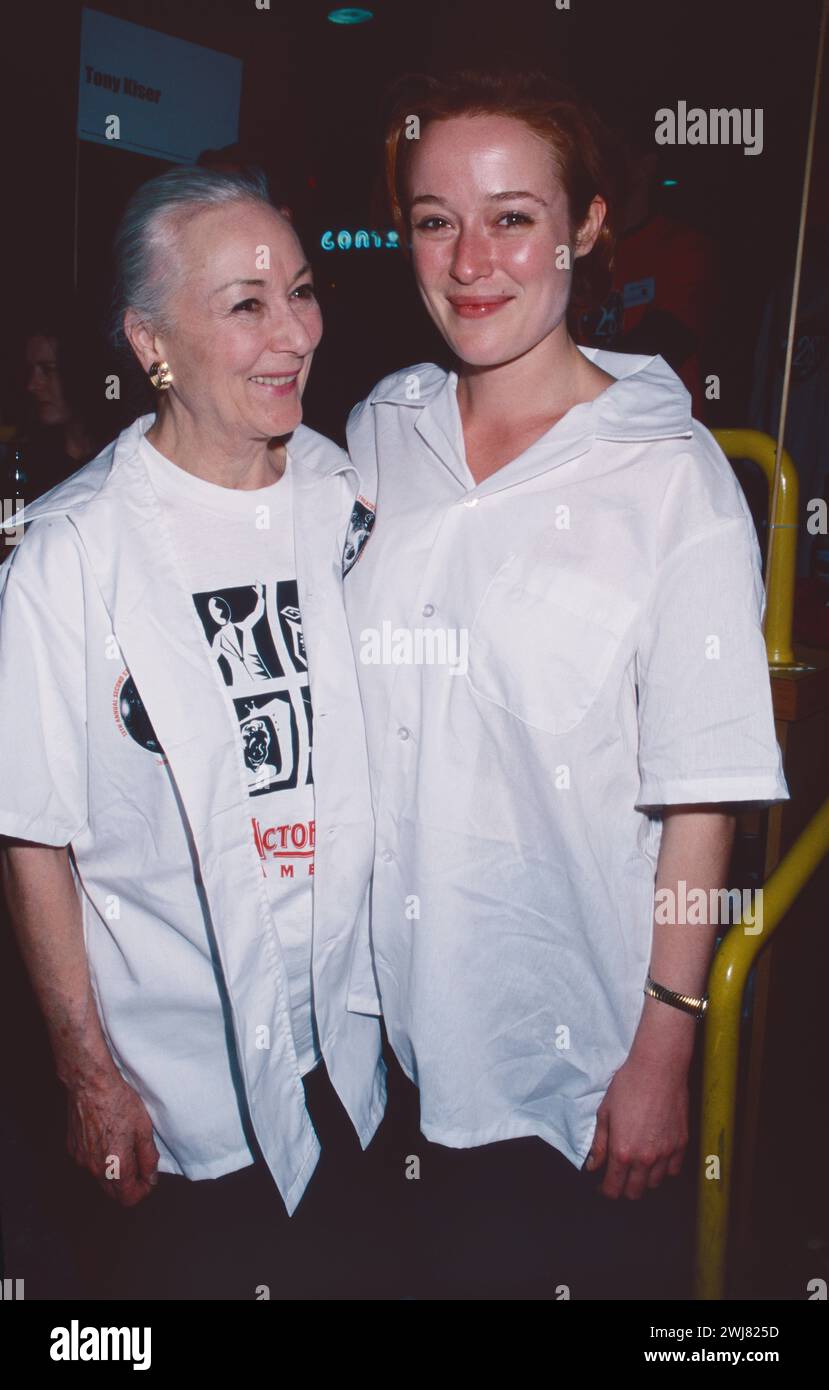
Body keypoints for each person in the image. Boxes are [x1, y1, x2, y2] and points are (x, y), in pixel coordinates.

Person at [343, 69, 790, 1299]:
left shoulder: (668, 474)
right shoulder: (383, 426)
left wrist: (664, 1043)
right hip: (378, 1041)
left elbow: (705, 796)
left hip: (565, 1058)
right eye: (436, 219)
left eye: (513, 216)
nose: (471, 259)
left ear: (586, 226)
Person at [0, 166, 386, 1299]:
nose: (294, 333)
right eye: (246, 304)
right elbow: (32, 836)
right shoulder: (70, 554)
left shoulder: (341, 493)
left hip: (357, 1053)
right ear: (148, 341)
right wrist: (88, 1077)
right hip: (182, 1091)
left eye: (302, 291)